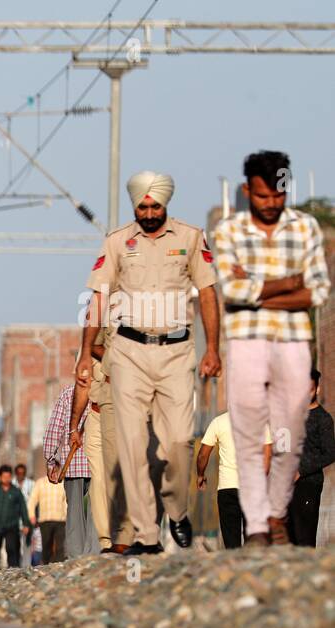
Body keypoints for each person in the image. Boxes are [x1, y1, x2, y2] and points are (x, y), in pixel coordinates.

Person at [75, 170, 221, 556]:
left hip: (175, 351)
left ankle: (176, 508)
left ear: (166, 205)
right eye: (144, 206)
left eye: (156, 205)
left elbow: (207, 293)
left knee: (176, 443)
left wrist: (213, 350)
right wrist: (86, 353)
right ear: (135, 205)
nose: (150, 212)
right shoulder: (117, 242)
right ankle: (146, 536)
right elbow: (99, 298)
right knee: (133, 445)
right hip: (128, 353)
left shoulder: (190, 238)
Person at [214, 150, 332, 546]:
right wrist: (286, 284)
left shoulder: (304, 230)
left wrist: (257, 291)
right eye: (263, 197)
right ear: (249, 191)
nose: (271, 205)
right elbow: (230, 290)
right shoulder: (230, 233)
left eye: (278, 196)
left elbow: (316, 290)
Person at [70, 303, 135, 554]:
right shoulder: (86, 352)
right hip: (96, 416)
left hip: (126, 414)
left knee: (123, 474)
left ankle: (129, 532)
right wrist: (74, 426)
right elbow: (82, 387)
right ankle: (107, 540)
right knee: (99, 479)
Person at [197, 412, 272, 549]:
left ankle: (234, 569)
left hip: (227, 488)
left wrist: (200, 475)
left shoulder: (219, 421)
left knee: (231, 543)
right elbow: (267, 458)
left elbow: (203, 454)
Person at [44, 383, 98, 557]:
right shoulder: (105, 389)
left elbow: (54, 428)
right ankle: (94, 553)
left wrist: (51, 459)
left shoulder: (68, 394)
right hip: (98, 461)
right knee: (97, 509)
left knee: (75, 513)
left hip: (74, 463)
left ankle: (76, 556)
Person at [288, 370, 335, 547]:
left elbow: (330, 452)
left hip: (309, 484)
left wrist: (301, 470)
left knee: (304, 538)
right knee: (288, 539)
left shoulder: (323, 419)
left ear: (317, 389)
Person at [0, 464, 30, 568]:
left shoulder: (16, 491)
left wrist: (26, 523)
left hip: (11, 526)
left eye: (8, 477)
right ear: (0, 477)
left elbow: (23, 508)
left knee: (12, 549)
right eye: (4, 477)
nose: (6, 479)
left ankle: (13, 570)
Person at [27, 474, 68, 564]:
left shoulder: (62, 482)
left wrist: (66, 516)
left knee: (60, 546)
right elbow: (32, 500)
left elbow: (65, 501)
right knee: (46, 545)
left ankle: (59, 566)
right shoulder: (40, 483)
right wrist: (31, 515)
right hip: (45, 520)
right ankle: (46, 565)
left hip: (60, 520)